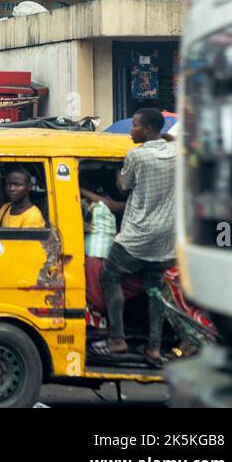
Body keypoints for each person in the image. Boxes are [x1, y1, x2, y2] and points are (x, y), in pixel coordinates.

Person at [94, 108, 177, 365]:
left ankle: (117, 338)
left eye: (136, 126)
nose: (131, 130)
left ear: (149, 130)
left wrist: (116, 173)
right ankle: (153, 348)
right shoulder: (176, 153)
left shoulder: (136, 155)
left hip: (138, 234)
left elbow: (123, 186)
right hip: (166, 238)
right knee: (155, 290)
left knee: (110, 275)